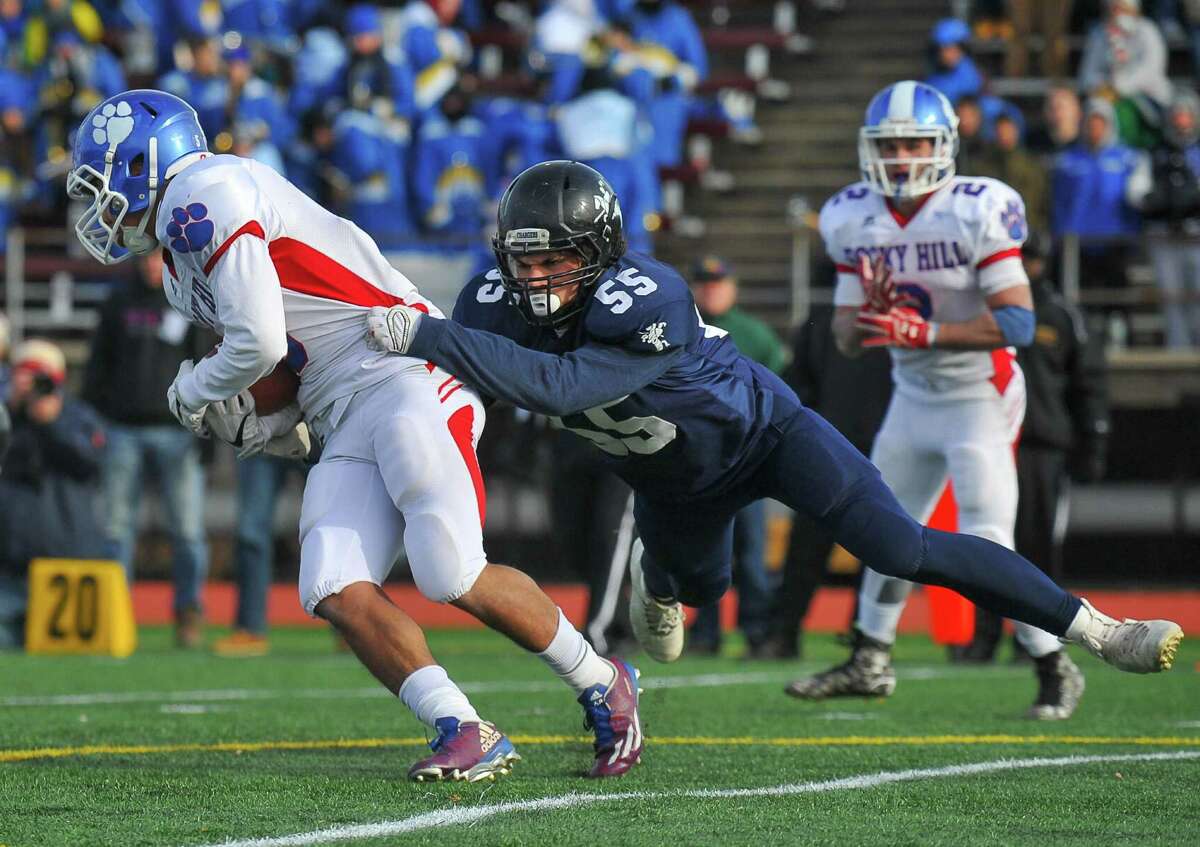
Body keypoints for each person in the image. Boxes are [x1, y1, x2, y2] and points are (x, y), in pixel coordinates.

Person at [365, 156, 1184, 724]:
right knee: (705, 591)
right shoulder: (487, 307)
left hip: (769, 434)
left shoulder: (646, 294)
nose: (537, 280)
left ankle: (1097, 631)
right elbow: (460, 389)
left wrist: (424, 335)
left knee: (901, 545)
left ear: (602, 252)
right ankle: (664, 573)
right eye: (525, 262)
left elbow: (558, 386)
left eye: (558, 262)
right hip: (673, 481)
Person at [68, 89, 641, 781]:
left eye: (103, 179)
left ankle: (602, 679)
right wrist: (271, 421)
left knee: (448, 569)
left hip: (403, 367)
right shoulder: (178, 262)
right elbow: (284, 360)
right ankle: (463, 726)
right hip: (344, 404)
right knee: (331, 583)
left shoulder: (207, 191)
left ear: (142, 161)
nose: (99, 204)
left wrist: (192, 390)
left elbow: (255, 340)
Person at [780, 81, 1095, 719]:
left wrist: (923, 331)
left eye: (915, 142)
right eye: (890, 144)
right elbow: (844, 339)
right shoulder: (851, 216)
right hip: (912, 394)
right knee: (879, 530)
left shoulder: (977, 207)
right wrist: (868, 314)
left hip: (980, 392)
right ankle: (871, 657)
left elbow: (1017, 325)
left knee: (986, 536)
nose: (901, 157)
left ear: (944, 144)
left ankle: (1053, 663)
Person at [956, 232, 1109, 667]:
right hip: (991, 438)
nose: (1026, 266)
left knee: (1038, 547)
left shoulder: (1061, 315)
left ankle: (1036, 641)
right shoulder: (979, 308)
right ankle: (983, 637)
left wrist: (1092, 442)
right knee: (985, 543)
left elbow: (1089, 384)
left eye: (1032, 258)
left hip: (1041, 447)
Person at [83, 249, 213, 648]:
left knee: (188, 532)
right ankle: (115, 615)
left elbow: (208, 367)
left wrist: (205, 431)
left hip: (178, 432)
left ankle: (188, 612)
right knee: (116, 530)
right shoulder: (117, 302)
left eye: (157, 259)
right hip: (122, 429)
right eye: (144, 259)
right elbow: (97, 367)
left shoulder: (189, 304)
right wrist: (97, 419)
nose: (150, 266)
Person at [686, 255, 785, 656]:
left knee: (750, 550)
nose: (711, 289)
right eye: (704, 283)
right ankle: (706, 632)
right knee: (706, 549)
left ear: (733, 287)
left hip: (746, 457)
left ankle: (757, 631)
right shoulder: (682, 329)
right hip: (698, 458)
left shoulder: (755, 335)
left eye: (718, 282)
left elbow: (782, 394)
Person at [0, 339, 106, 648]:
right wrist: (14, 413)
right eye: (24, 374)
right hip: (11, 570)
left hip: (66, 569)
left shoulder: (77, 417)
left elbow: (91, 462)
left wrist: (51, 423)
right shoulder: (8, 419)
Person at [1128, 87, 1200, 348]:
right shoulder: (1156, 152)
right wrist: (1160, 198)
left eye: (1186, 115)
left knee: (1196, 292)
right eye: (1177, 114)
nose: (1181, 120)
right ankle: (1178, 346)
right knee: (1171, 294)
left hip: (1195, 234)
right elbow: (1137, 192)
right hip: (1163, 233)